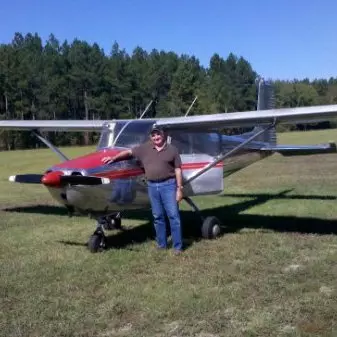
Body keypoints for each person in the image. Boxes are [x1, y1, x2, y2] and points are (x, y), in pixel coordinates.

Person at [102, 125, 184, 254]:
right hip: (152, 186)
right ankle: (161, 245)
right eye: (153, 135)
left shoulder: (172, 150)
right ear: (151, 137)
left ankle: (177, 247)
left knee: (173, 216)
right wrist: (113, 158)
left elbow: (178, 169)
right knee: (158, 217)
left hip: (168, 185)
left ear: (163, 135)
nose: (156, 137)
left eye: (158, 134)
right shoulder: (145, 148)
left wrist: (179, 188)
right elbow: (129, 152)